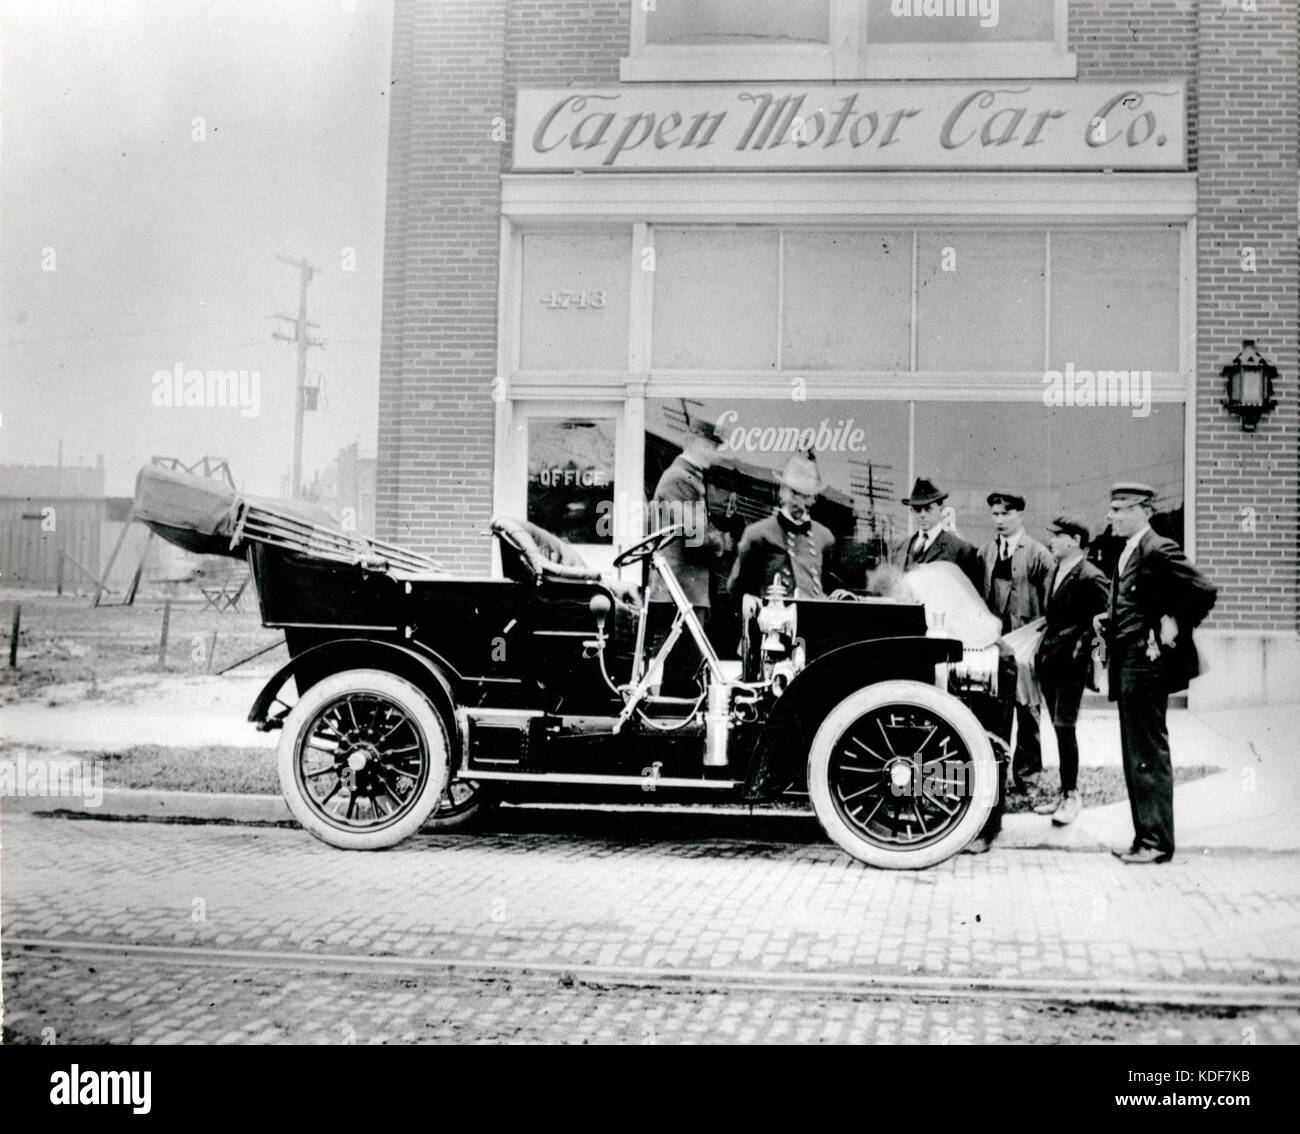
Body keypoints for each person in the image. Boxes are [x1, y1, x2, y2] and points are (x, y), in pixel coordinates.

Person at [1096, 483, 1217, 864]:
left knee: (1148, 753)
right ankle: (1144, 836)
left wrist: (1176, 622)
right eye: (1112, 508)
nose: (1111, 516)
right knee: (1137, 755)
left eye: (1120, 509)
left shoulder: (1157, 547)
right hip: (1129, 668)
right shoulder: (1129, 550)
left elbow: (1203, 589)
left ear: (1143, 510)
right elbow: (1138, 601)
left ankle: (1156, 842)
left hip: (1146, 668)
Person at [1033, 514, 1108, 825]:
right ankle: (1064, 792)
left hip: (1071, 664)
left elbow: (1106, 622)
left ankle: (1071, 795)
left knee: (1065, 727)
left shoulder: (1091, 576)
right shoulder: (1055, 571)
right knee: (1059, 727)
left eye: (1057, 535)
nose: (1051, 540)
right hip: (1050, 661)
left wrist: (1089, 653)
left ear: (1075, 540)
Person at [978, 491, 1055, 792]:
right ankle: (993, 776)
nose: (999, 520)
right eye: (995, 514)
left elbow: (1051, 600)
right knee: (993, 708)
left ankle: (1027, 776)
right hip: (995, 644)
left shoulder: (1037, 554)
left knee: (1027, 710)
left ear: (1019, 515)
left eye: (1005, 514)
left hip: (1025, 645)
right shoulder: (985, 553)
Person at [647, 420, 730, 695]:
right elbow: (697, 536)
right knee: (681, 675)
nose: (716, 453)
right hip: (681, 592)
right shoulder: (681, 478)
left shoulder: (687, 477)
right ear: (695, 442)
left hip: (686, 590)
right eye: (712, 446)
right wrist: (723, 541)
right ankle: (673, 731)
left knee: (685, 669)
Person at [727, 452, 836, 601]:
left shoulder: (824, 536)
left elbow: (830, 585)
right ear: (782, 491)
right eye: (794, 493)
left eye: (805, 495)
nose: (799, 502)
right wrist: (747, 598)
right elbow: (739, 586)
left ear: (813, 498)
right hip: (776, 617)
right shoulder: (758, 534)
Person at [891, 477, 983, 593]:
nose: (922, 514)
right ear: (911, 511)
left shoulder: (961, 550)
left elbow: (970, 598)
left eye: (928, 508)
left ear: (941, 510)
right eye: (917, 509)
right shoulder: (899, 548)